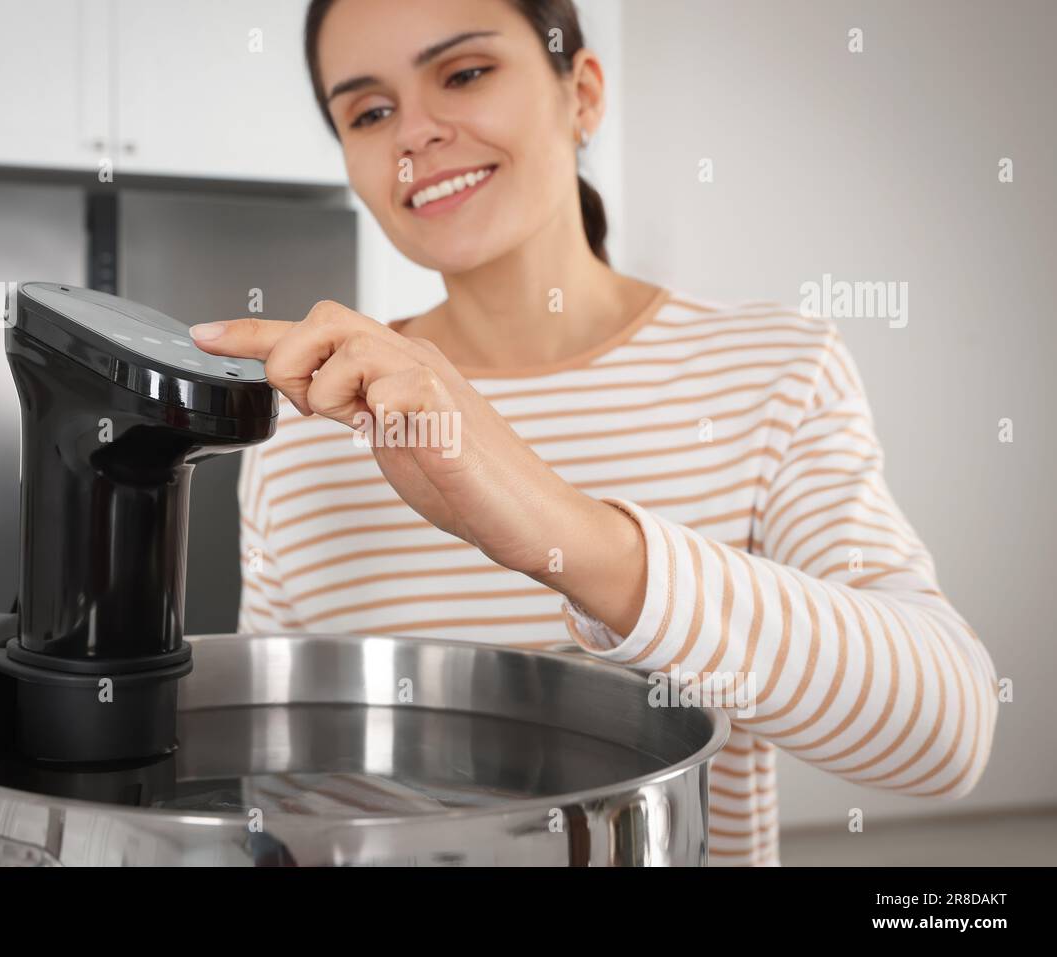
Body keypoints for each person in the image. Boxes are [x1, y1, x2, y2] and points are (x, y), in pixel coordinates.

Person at [188, 0, 997, 865]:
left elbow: (949, 735)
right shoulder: (311, 428)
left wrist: (564, 532)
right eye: (370, 111)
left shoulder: (775, 368)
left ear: (582, 95)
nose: (414, 133)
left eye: (465, 73)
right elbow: (272, 797)